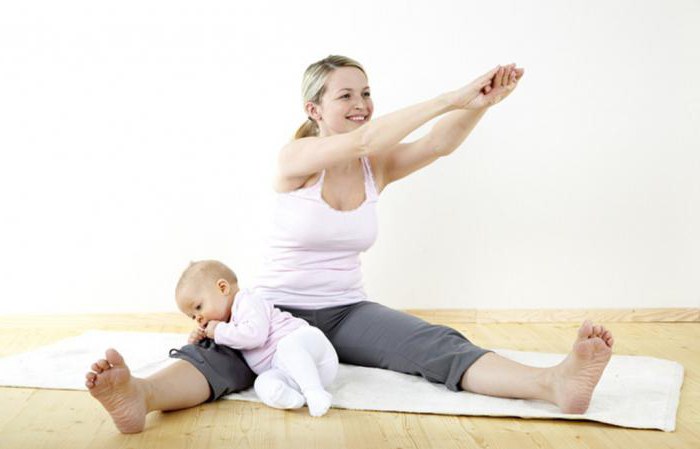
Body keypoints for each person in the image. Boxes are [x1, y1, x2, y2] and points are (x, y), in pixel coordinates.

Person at [85, 55, 615, 434]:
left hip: (347, 310)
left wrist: (480, 104)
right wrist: (448, 96)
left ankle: (554, 385)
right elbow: (365, 137)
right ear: (314, 110)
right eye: (346, 95)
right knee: (225, 360)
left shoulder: (373, 167)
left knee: (434, 344)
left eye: (366, 93)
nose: (361, 104)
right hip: (275, 307)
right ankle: (140, 395)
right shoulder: (293, 161)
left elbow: (437, 143)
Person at [174, 259, 338, 417]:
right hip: (295, 373)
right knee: (262, 383)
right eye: (192, 316)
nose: (198, 318)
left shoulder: (247, 301)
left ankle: (314, 392)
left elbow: (255, 336)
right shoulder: (226, 325)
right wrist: (197, 339)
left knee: (287, 347)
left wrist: (218, 331)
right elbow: (224, 341)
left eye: (198, 307)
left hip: (311, 349)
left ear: (223, 288)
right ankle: (293, 399)